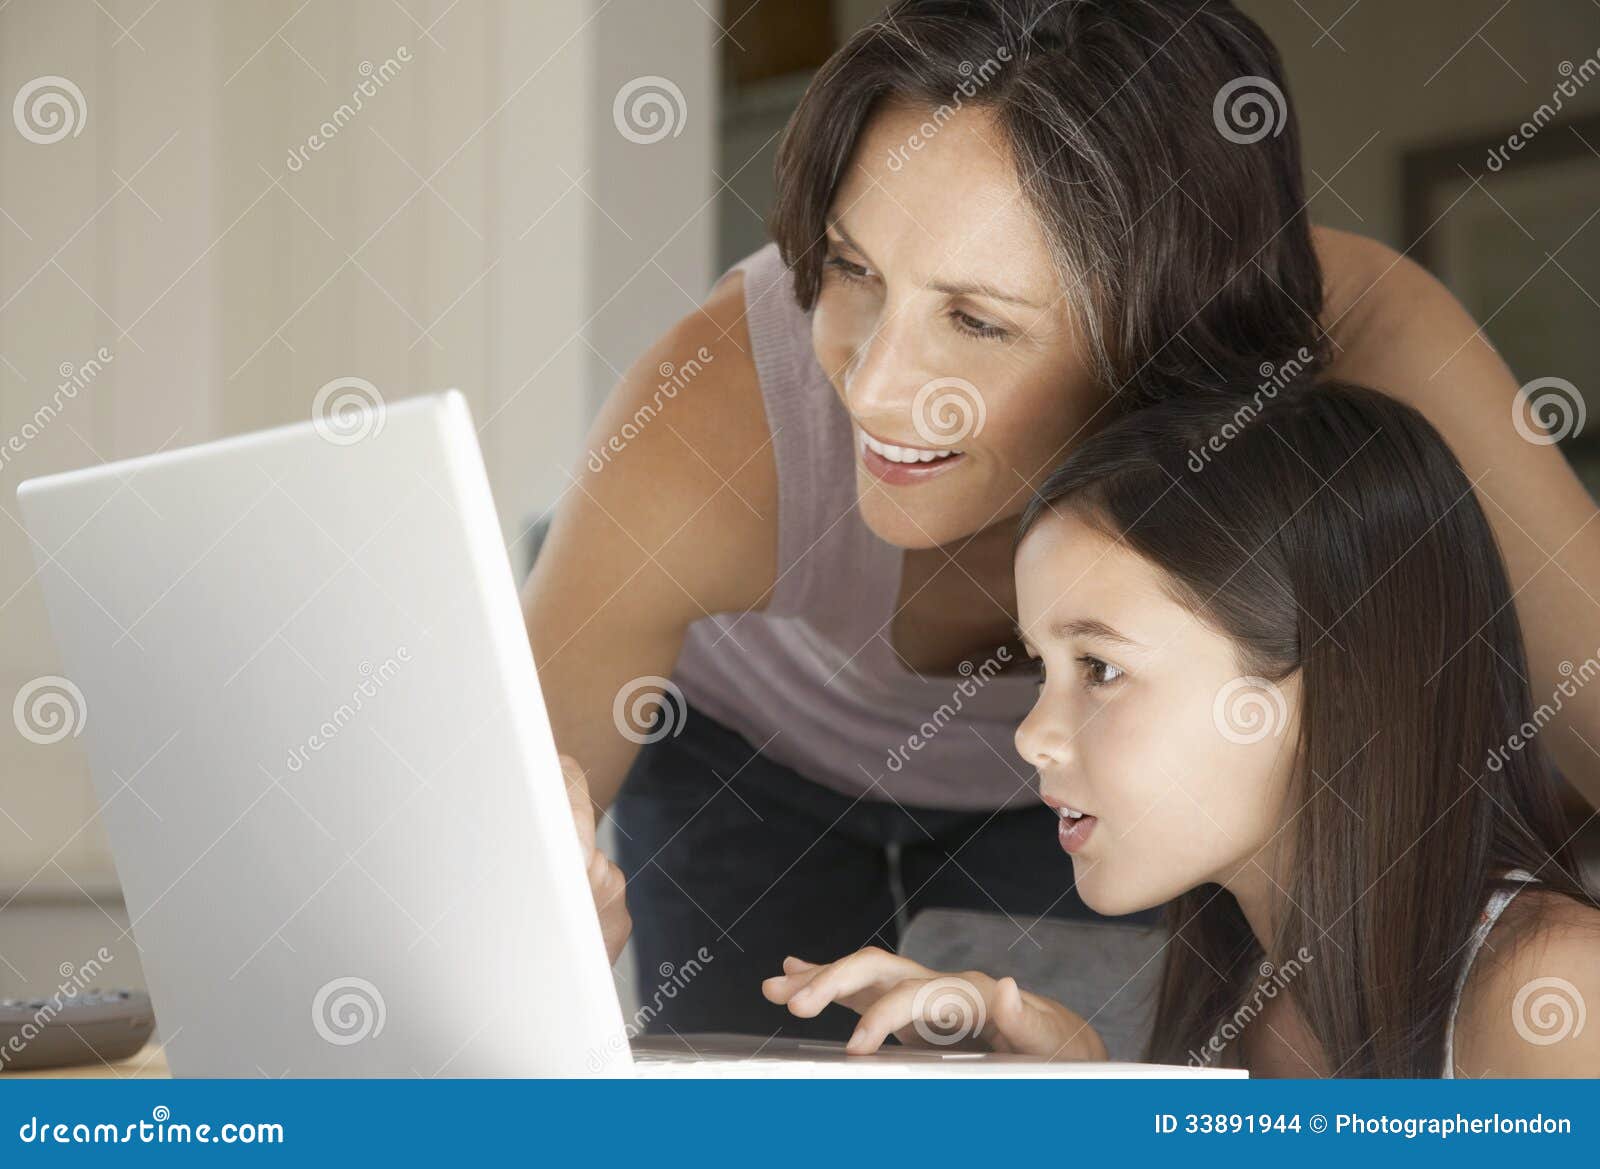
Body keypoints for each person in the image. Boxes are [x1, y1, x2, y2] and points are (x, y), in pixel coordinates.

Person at [535, 0, 1600, 1039]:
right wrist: (524, 909)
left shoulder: (1357, 346)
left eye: (977, 319)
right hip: (752, 756)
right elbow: (486, 828)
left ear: (1164, 336)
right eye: (850, 266)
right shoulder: (711, 416)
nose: (870, 386)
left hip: (1098, 794)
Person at [763, 383, 1600, 1076]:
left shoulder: (1555, 995)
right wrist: (1089, 1101)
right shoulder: (1248, 999)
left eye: (1101, 667)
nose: (1032, 737)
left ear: (1329, 683)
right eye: (1037, 666)